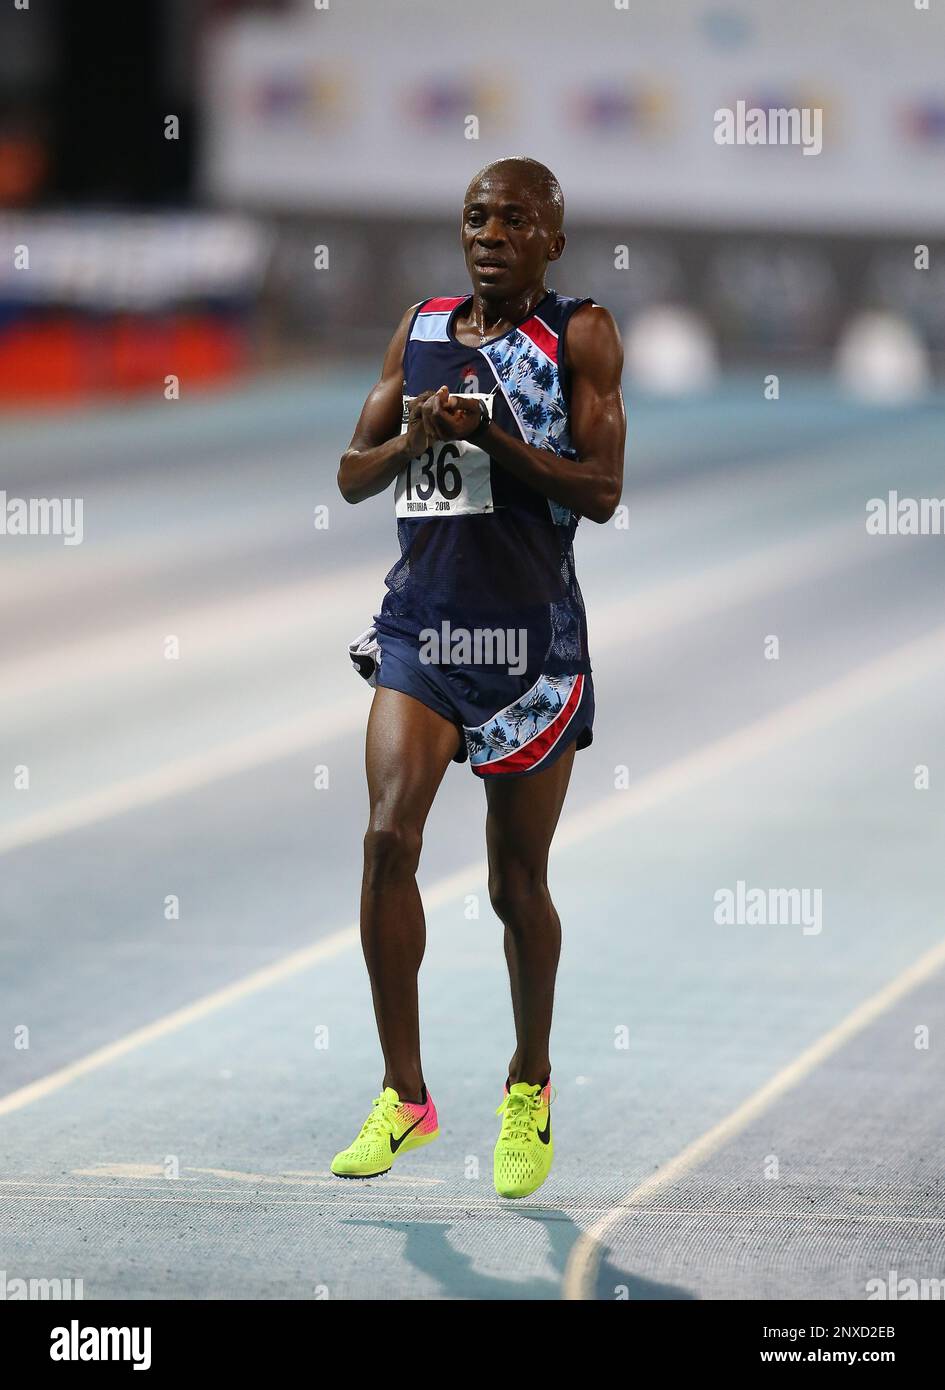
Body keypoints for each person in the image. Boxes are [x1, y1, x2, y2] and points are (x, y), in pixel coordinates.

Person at [332, 156, 626, 1198]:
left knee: (515, 886)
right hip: (422, 634)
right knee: (385, 838)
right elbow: (351, 476)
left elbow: (602, 489)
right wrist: (412, 435)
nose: (490, 233)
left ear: (553, 236)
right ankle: (404, 1094)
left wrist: (490, 441)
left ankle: (529, 1082)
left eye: (513, 219)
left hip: (528, 648)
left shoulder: (578, 334)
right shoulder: (419, 328)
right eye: (475, 218)